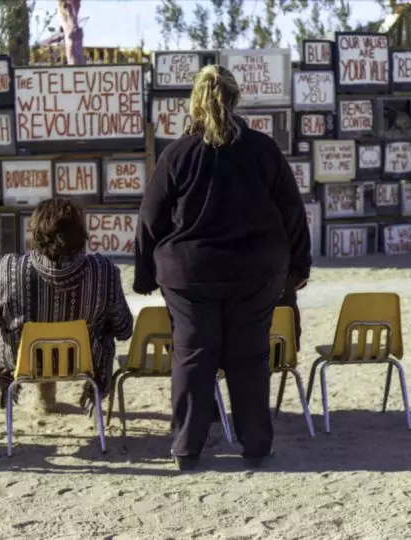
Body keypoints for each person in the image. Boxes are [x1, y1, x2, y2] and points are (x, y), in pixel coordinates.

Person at [133, 65, 312, 470]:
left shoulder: (177, 154)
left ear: (194, 102)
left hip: (189, 274)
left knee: (192, 355)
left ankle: (186, 447)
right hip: (256, 272)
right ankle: (256, 446)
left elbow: (149, 220)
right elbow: (293, 215)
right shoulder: (263, 150)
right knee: (249, 357)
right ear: (234, 100)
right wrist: (299, 267)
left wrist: (145, 275)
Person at [0, 198, 134, 414]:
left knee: (24, 327)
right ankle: (85, 394)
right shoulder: (103, 271)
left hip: (26, 363)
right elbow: (124, 329)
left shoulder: (9, 269)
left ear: (36, 233)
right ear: (80, 232)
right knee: (98, 331)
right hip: (82, 362)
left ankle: (38, 399)